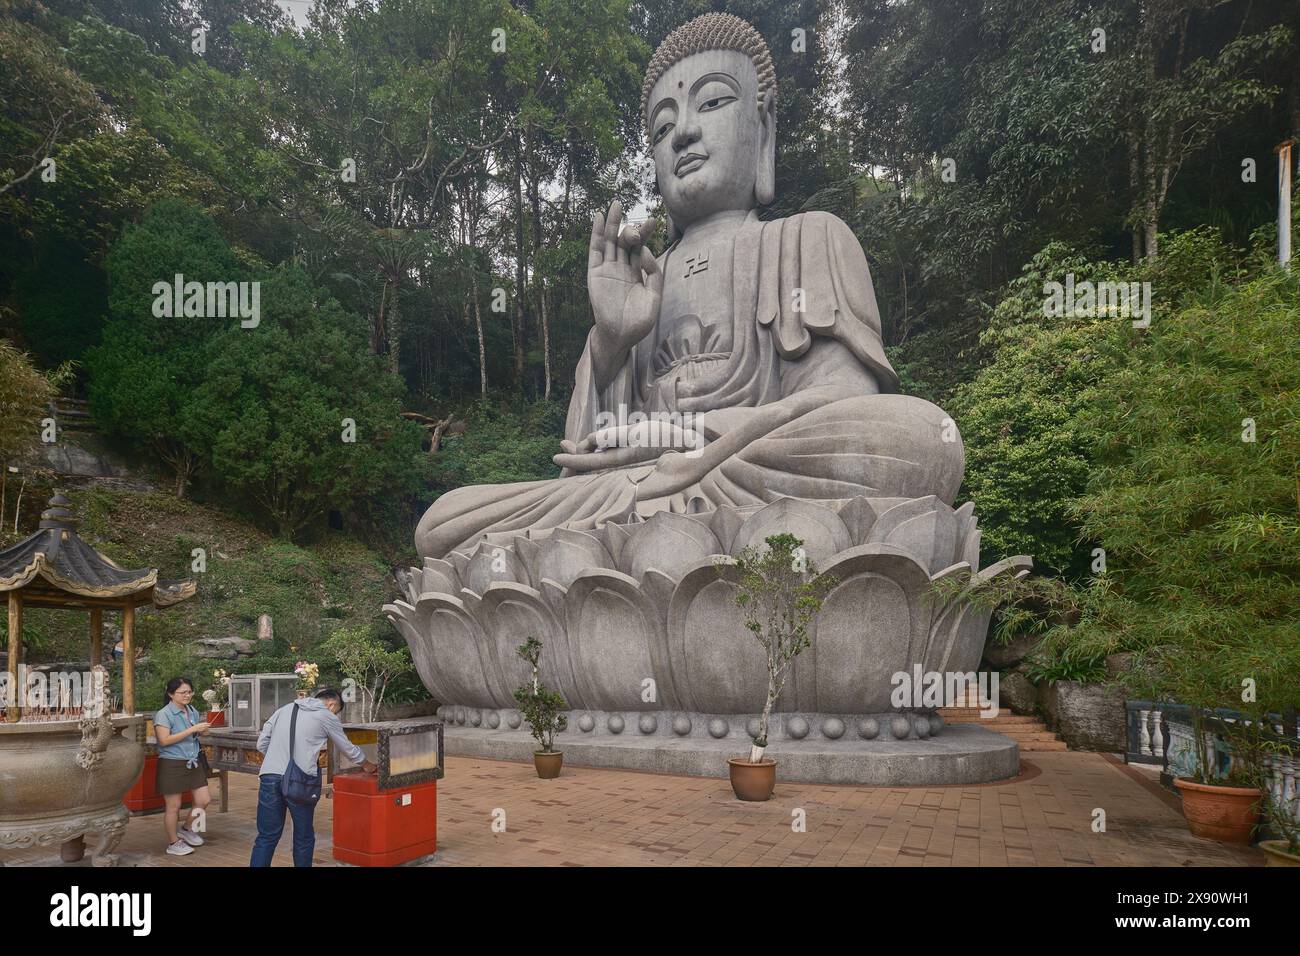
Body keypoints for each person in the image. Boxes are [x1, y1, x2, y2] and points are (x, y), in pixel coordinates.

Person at [250, 687, 376, 867]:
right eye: (337, 712)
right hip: (299, 781)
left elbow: (261, 744)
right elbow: (346, 747)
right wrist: (367, 764)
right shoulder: (326, 715)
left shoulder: (283, 709)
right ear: (332, 704)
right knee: (303, 836)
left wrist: (278, 758)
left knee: (266, 836)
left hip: (269, 776)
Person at [153, 677, 213, 857]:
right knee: (174, 806)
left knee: (204, 799)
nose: (187, 695)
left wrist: (203, 730)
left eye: (189, 692)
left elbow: (198, 734)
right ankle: (173, 842)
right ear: (171, 694)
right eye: (183, 692)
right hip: (172, 763)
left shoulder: (192, 710)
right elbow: (164, 741)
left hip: (193, 760)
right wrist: (192, 730)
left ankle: (187, 829)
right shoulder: (164, 714)